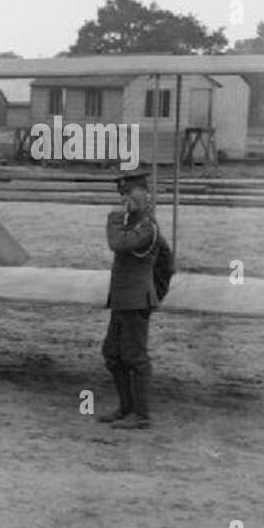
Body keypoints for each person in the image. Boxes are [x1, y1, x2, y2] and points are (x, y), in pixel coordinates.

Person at [101, 171, 160, 430]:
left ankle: (142, 417)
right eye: (123, 194)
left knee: (136, 358)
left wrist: (152, 292)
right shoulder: (131, 222)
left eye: (130, 192)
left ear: (145, 193)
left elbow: (117, 244)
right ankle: (126, 408)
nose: (125, 198)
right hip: (122, 301)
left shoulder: (147, 226)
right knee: (112, 354)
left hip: (136, 302)